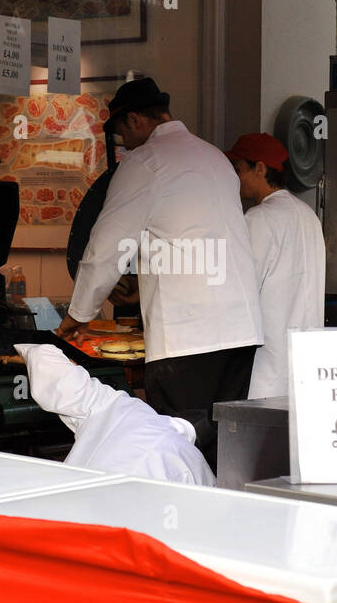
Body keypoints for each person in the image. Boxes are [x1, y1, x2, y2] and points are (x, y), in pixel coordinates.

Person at [57, 77, 263, 470]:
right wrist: (143, 286)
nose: (123, 146)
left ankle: (179, 525)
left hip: (190, 339)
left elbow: (106, 246)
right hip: (240, 332)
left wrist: (78, 315)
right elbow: (197, 238)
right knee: (222, 449)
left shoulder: (146, 162)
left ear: (134, 120)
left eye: (121, 136)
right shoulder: (214, 158)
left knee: (179, 447)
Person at [14, 344, 214, 485]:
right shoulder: (190, 459)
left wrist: (19, 351)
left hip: (69, 506)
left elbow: (48, 361)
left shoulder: (118, 405)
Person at [226, 132, 325, 399]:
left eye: (238, 170)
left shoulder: (259, 218)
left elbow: (240, 290)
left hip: (266, 367)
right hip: (305, 364)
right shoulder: (308, 215)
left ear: (260, 168)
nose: (234, 179)